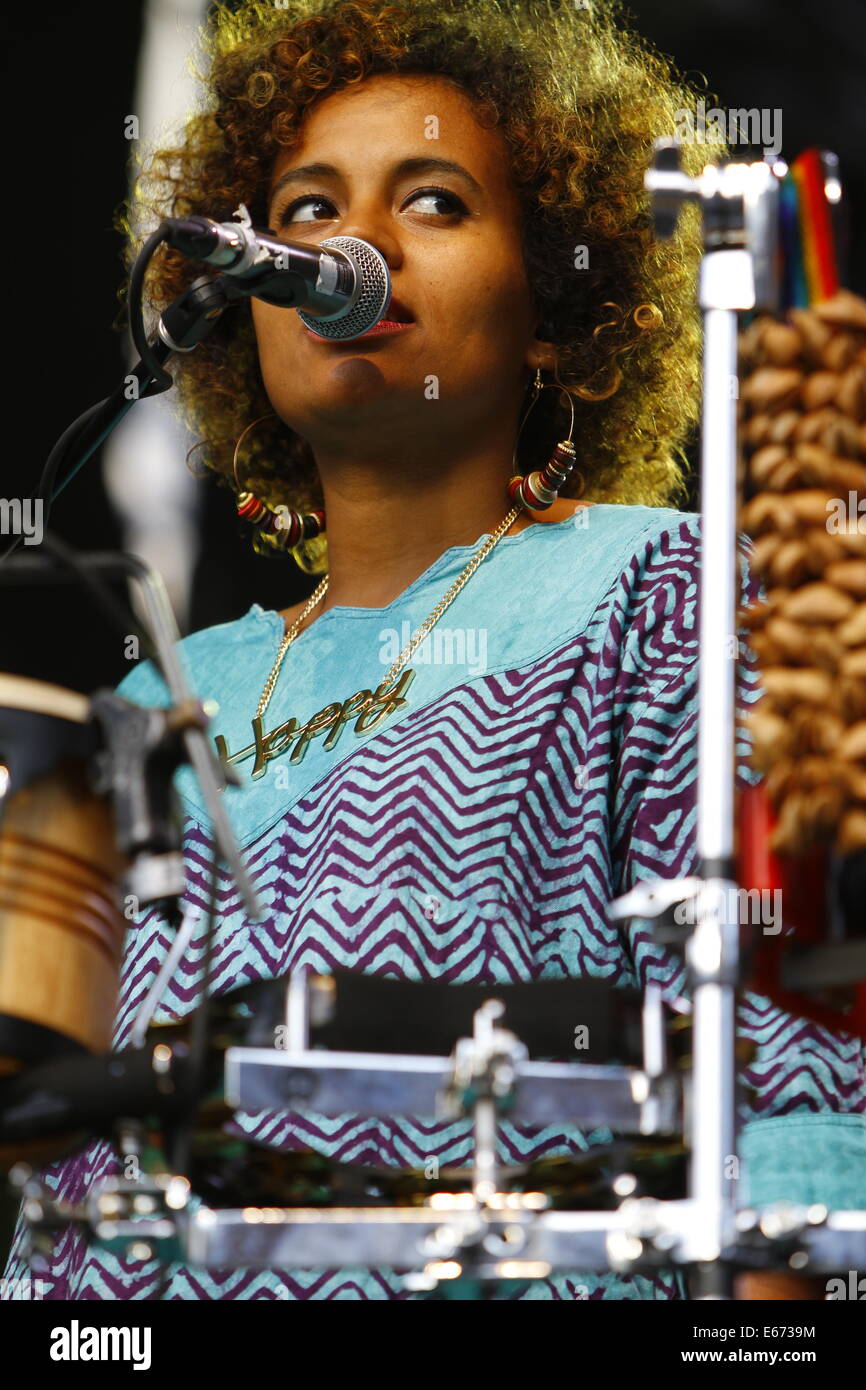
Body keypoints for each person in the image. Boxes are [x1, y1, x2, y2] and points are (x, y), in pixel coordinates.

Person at [5, 0, 866, 1300]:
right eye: (303, 209)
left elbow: (796, 1072)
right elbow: (57, 1172)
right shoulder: (152, 696)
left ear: (550, 303)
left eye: (434, 202)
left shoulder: (661, 591)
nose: (350, 243)